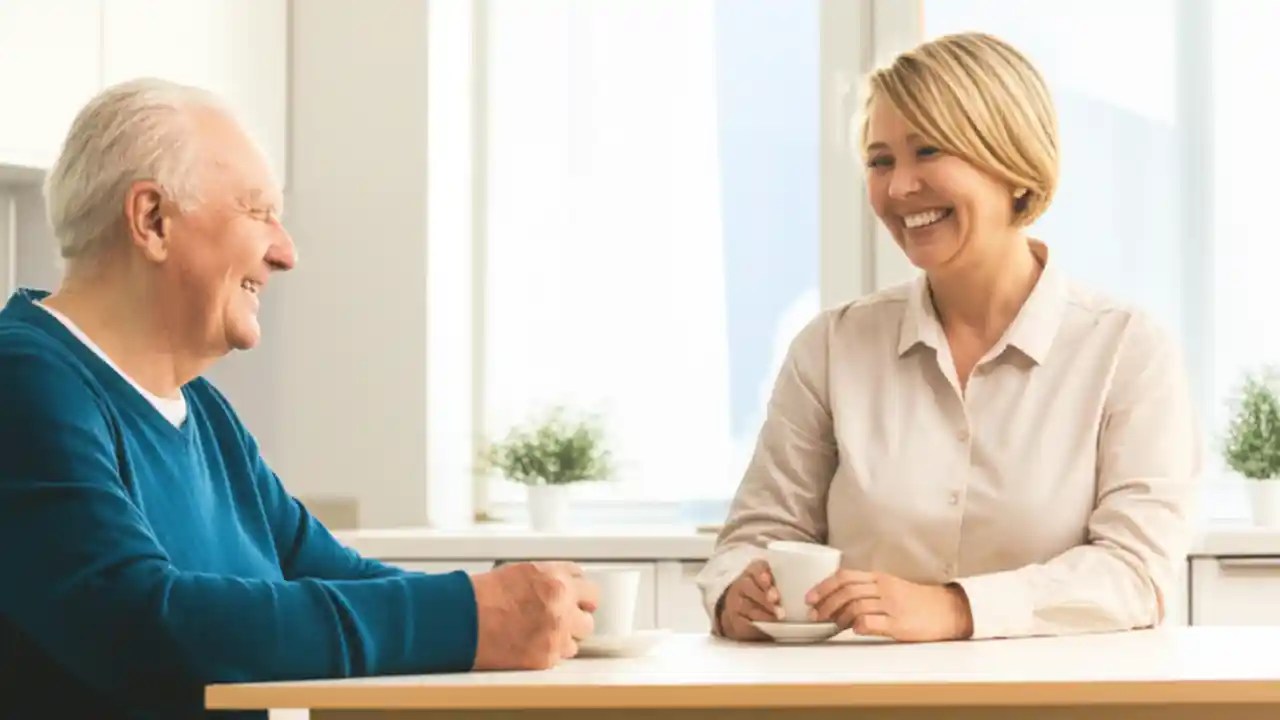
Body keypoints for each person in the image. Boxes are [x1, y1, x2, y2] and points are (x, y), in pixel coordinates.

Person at [0, 78, 597, 719]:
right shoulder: (23, 378)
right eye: (257, 211)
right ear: (152, 220)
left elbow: (330, 573)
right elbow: (140, 622)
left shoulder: (205, 413)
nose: (285, 253)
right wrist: (468, 618)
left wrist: (508, 608)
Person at [698, 32, 1200, 644]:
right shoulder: (832, 347)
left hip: (1058, 692)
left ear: (1012, 163)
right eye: (880, 161)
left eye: (927, 151)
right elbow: (757, 536)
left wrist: (955, 608)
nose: (898, 187)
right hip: (862, 690)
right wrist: (739, 592)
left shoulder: (1126, 350)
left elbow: (1136, 571)